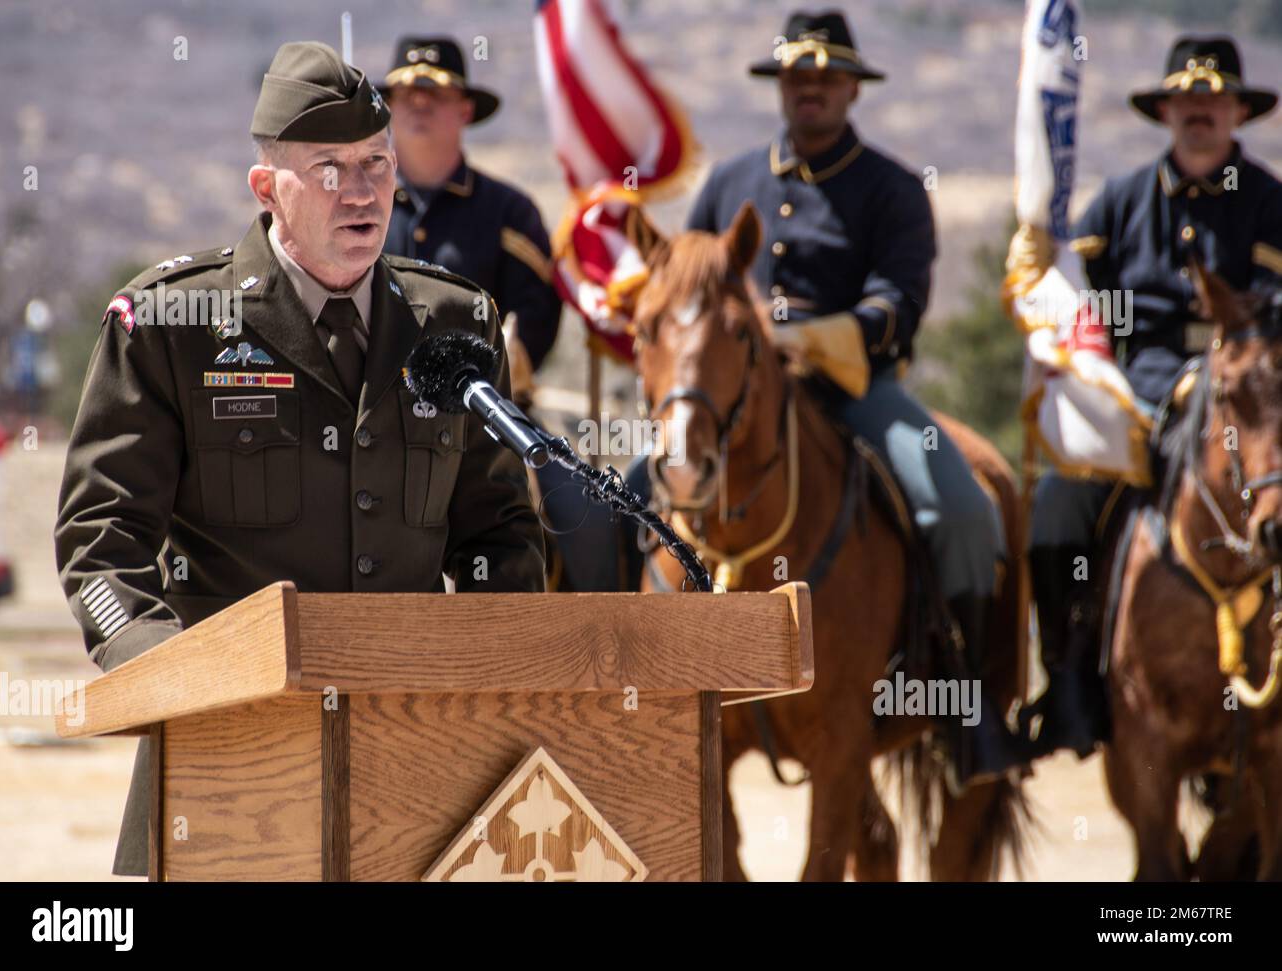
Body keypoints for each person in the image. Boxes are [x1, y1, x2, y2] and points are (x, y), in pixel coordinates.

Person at [54, 41, 544, 876]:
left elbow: (501, 531)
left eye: (376, 164)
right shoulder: (173, 325)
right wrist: (168, 674)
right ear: (266, 187)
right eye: (327, 168)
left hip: (414, 755)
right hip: (225, 753)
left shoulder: (455, 325)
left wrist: (475, 668)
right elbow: (102, 537)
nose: (360, 192)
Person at [640, 10, 1023, 784]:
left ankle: (968, 700)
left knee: (962, 508)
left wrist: (813, 339)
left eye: (825, 77)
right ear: (780, 85)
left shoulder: (892, 188)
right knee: (626, 500)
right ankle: (640, 680)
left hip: (855, 387)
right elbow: (687, 281)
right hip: (734, 399)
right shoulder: (728, 181)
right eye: (796, 76)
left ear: (852, 87)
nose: (810, 89)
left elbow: (897, 306)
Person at [1028, 35, 1282, 757]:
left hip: (1251, 389)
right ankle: (1069, 681)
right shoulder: (1119, 202)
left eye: (1214, 99)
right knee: (1053, 504)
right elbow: (1075, 302)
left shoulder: (1268, 201)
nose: (1199, 111)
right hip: (1137, 387)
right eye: (1187, 99)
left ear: (1237, 110)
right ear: (1166, 108)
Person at [379, 36, 562, 372]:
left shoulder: (510, 214)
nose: (420, 101)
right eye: (406, 92)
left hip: (476, 414)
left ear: (465, 109)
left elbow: (537, 316)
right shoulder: (356, 205)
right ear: (387, 107)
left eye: (435, 92)